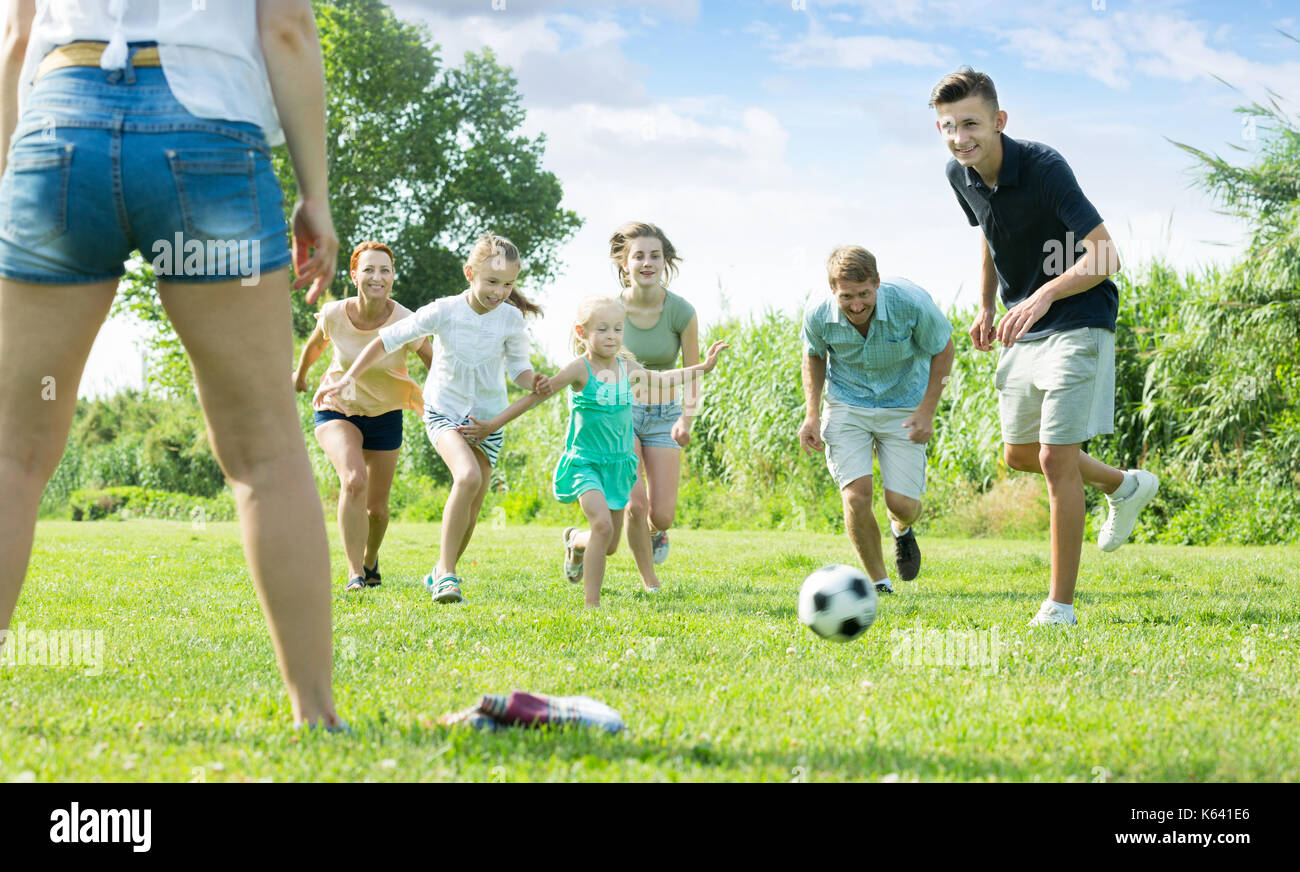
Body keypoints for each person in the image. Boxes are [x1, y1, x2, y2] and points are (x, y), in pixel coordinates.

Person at [0, 0, 341, 727]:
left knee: (12, 454)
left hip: (58, 128)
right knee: (266, 451)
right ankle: (316, 714)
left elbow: (16, 35)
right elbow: (286, 27)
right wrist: (316, 194)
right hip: (207, 131)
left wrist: (13, 180)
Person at [929, 66, 1159, 626]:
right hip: (1024, 323)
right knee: (1019, 454)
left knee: (1056, 456)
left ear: (999, 121)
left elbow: (1107, 257)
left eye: (972, 124)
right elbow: (988, 232)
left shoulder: (1045, 167)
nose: (961, 137)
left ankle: (1059, 606)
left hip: (1079, 312)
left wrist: (1043, 296)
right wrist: (988, 305)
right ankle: (1124, 486)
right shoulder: (960, 175)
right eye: (948, 127)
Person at [319, 234, 546, 605]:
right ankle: (447, 574)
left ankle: (439, 572)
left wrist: (532, 379)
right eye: (492, 281)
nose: (499, 292)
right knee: (467, 477)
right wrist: (348, 377)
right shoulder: (444, 310)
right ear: (469, 273)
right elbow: (383, 341)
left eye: (508, 284)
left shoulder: (511, 319)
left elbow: (519, 370)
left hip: (489, 421)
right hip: (444, 412)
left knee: (471, 514)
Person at [460, 296, 728, 607]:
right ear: (581, 332)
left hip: (618, 465)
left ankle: (575, 540)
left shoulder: (627, 367)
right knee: (602, 525)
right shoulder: (579, 369)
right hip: (585, 463)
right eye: (603, 329)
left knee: (609, 543)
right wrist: (490, 425)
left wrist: (702, 368)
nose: (612, 336)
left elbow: (661, 378)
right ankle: (592, 606)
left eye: (617, 328)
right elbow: (534, 399)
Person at [798, 246, 955, 594]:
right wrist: (811, 414)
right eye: (847, 297)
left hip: (904, 405)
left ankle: (902, 529)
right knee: (856, 496)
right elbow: (813, 356)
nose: (856, 306)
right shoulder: (818, 314)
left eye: (864, 294)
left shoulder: (910, 303)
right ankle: (879, 584)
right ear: (833, 291)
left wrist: (927, 411)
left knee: (902, 505)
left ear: (878, 283)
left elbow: (944, 349)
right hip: (846, 404)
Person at [294, 241, 432, 591]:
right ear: (355, 275)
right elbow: (316, 344)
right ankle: (355, 572)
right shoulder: (335, 313)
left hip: (386, 414)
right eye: (369, 269)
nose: (377, 276)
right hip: (336, 407)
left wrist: (443, 397)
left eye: (384, 270)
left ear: (393, 277)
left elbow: (433, 360)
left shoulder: (406, 320)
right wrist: (299, 376)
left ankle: (371, 562)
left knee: (378, 510)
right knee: (353, 480)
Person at [609, 222, 699, 588]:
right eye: (639, 256)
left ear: (665, 261)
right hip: (621, 414)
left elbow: (693, 372)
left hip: (665, 416)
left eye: (655, 256)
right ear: (624, 262)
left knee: (661, 515)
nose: (647, 263)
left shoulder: (681, 311)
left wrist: (687, 421)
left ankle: (655, 533)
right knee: (635, 503)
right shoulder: (610, 311)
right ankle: (650, 582)